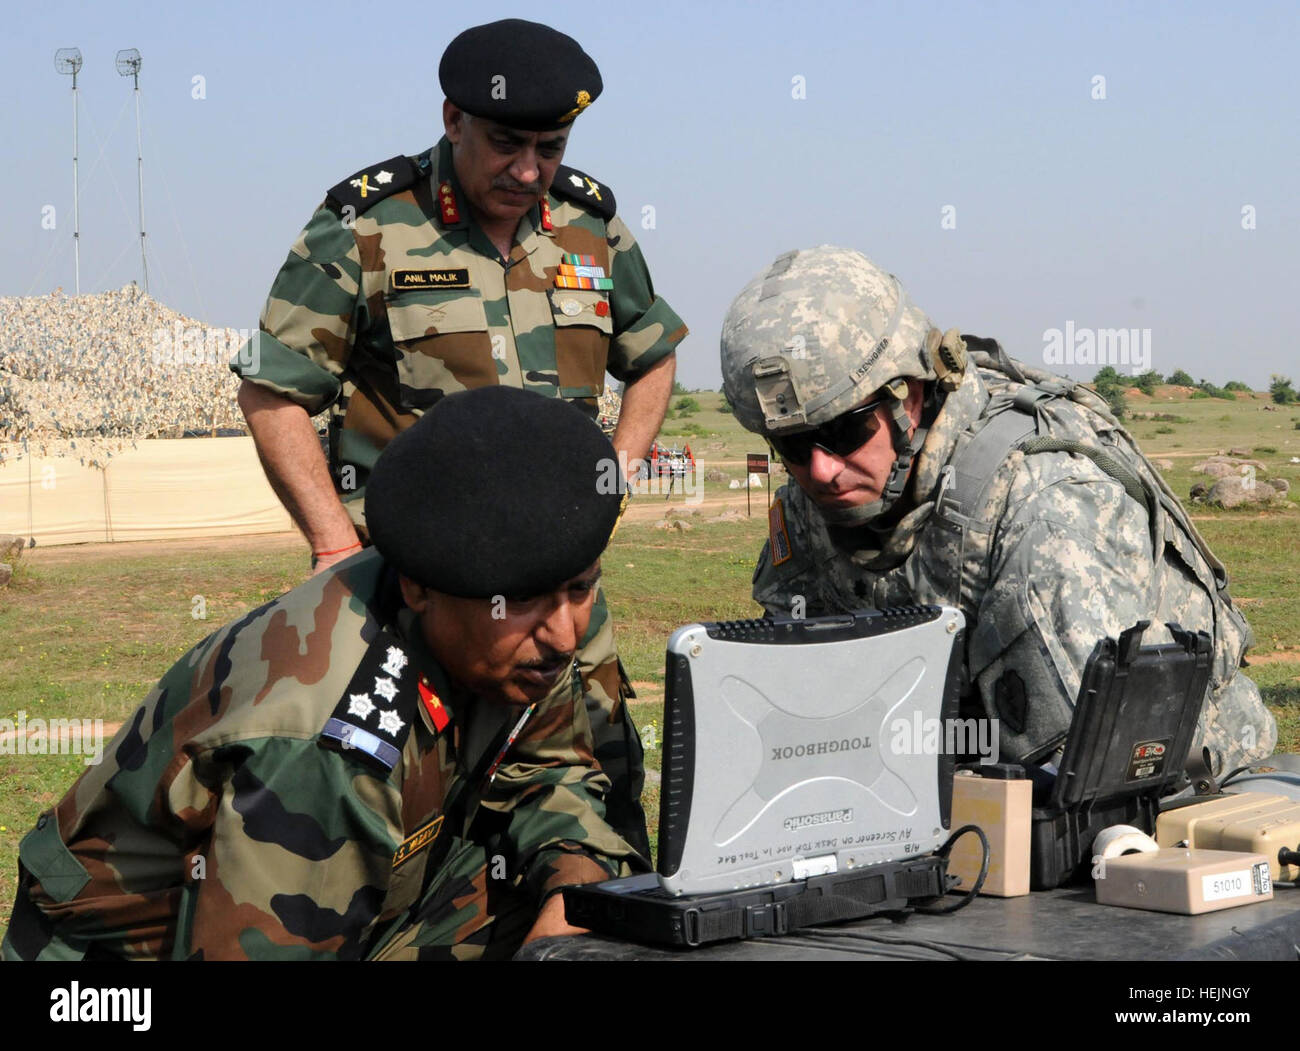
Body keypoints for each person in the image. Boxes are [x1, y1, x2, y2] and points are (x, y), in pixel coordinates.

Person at [230, 19, 687, 858]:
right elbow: (272, 391)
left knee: (594, 824)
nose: (527, 170)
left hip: (561, 606)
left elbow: (652, 357)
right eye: (506, 143)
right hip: (418, 605)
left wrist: (609, 483)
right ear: (452, 120)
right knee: (402, 835)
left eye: (550, 147)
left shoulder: (594, 230)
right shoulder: (364, 226)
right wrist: (335, 546)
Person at [3, 387, 644, 961]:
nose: (565, 634)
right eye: (527, 601)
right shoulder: (326, 739)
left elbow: (549, 770)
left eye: (581, 587)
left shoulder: (532, 617)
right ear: (421, 591)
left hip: (381, 892)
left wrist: (571, 905)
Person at [720, 245, 1275, 775]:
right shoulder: (814, 501)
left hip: (1167, 800)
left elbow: (1096, 772)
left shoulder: (1041, 503)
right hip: (949, 802)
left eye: (844, 430)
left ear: (909, 394)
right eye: (790, 445)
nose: (819, 470)